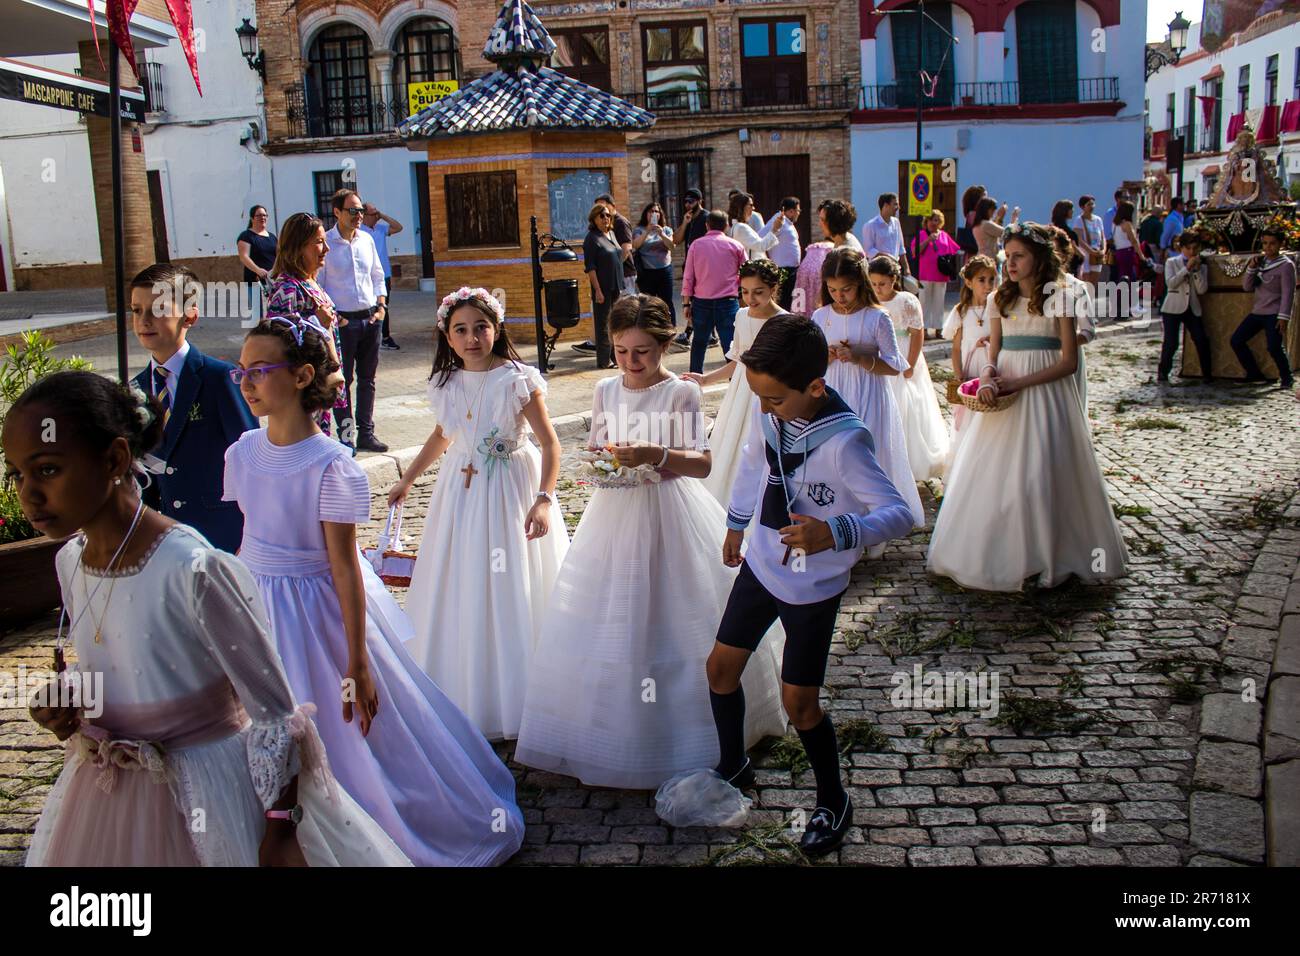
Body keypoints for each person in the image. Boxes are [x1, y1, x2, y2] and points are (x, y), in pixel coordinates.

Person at [6, 371, 409, 867]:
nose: (29, 493)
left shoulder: (194, 570)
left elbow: (275, 716)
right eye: (16, 475)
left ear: (113, 460)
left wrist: (281, 829)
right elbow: (115, 659)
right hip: (107, 792)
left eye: (47, 470)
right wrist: (75, 703)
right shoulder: (71, 560)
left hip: (205, 788)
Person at [224, 316, 525, 866]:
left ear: (301, 376)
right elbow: (248, 540)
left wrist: (357, 659)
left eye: (260, 371)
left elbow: (342, 566)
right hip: (255, 606)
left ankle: (361, 823)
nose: (246, 382)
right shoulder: (242, 453)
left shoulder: (331, 465)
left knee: (341, 732)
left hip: (318, 611)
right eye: (240, 371)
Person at [514, 295, 786, 789]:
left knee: (674, 607)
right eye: (620, 351)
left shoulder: (680, 393)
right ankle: (610, 727)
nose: (630, 362)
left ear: (663, 345)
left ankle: (695, 729)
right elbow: (599, 444)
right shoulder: (604, 389)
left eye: (641, 351)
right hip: (615, 514)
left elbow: (701, 463)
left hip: (670, 511)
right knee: (615, 610)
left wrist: (655, 455)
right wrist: (604, 460)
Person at [707, 315, 914, 856]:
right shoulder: (772, 411)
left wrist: (837, 532)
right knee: (720, 668)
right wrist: (736, 521)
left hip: (813, 586)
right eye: (759, 397)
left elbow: (899, 513)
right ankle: (734, 764)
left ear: (815, 388)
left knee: (801, 703)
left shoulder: (846, 443)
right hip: (763, 564)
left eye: (774, 398)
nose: (764, 407)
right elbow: (756, 462)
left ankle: (832, 798)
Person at [390, 288, 569, 740]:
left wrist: (544, 498)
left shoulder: (517, 379)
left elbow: (550, 443)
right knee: (463, 575)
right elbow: (442, 435)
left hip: (510, 486)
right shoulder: (445, 383)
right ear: (447, 337)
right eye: (461, 330)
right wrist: (408, 478)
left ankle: (519, 690)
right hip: (461, 490)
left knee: (510, 577)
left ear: (497, 328)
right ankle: (467, 684)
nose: (472, 338)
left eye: (481, 327)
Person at [927, 222, 1129, 592]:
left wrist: (1018, 382)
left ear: (1039, 257)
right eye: (1009, 256)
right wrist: (988, 377)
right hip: (1006, 394)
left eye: (1019, 256)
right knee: (1001, 474)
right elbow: (994, 351)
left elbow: (1069, 361)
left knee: (1045, 470)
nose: (1012, 263)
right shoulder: (997, 300)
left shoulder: (1060, 297)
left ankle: (1053, 554)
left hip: (1047, 394)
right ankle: (1003, 554)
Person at [127, 263, 257, 554]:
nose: (144, 320)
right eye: (137, 310)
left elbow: (249, 455)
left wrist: (252, 532)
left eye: (158, 309)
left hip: (222, 534)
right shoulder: (133, 391)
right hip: (164, 539)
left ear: (190, 316)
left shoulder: (218, 378)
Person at [811, 248, 924, 533]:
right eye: (833, 289)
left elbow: (894, 365)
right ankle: (838, 520)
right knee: (834, 454)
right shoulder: (820, 315)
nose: (840, 296)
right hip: (833, 392)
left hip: (869, 392)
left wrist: (861, 357)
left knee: (869, 455)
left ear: (860, 283)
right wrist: (826, 356)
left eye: (846, 289)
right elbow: (809, 361)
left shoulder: (877, 318)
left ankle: (874, 523)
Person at [682, 258, 788, 505]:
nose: (750, 298)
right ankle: (732, 497)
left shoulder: (784, 320)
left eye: (758, 292)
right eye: (745, 291)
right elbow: (738, 359)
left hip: (769, 390)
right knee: (734, 440)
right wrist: (706, 379)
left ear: (773, 289)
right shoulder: (741, 316)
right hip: (741, 390)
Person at [265, 212, 349, 441]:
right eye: (319, 242)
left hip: (316, 383)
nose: (326, 249)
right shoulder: (287, 287)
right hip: (301, 390)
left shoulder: (308, 281)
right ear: (298, 247)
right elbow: (276, 338)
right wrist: (316, 322)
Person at [868, 255, 949, 481]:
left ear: (894, 280)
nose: (878, 288)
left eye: (882, 284)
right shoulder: (871, 300)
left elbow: (917, 332)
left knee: (908, 402)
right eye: (873, 284)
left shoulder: (906, 301)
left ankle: (910, 457)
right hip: (881, 353)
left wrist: (910, 363)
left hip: (903, 350)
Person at [320, 189, 389, 453]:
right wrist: (335, 317)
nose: (359, 215)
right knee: (343, 380)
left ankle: (366, 434)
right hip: (343, 324)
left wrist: (381, 307)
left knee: (368, 379)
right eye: (353, 210)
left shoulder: (367, 240)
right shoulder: (326, 243)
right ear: (337, 212)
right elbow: (320, 286)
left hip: (371, 319)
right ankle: (346, 436)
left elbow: (377, 275)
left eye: (360, 210)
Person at [941, 254, 998, 454]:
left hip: (991, 367)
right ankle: (970, 453)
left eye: (992, 279)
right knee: (971, 415)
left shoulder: (998, 308)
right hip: (971, 368)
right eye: (981, 280)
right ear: (969, 282)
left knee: (991, 413)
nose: (988, 285)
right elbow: (956, 348)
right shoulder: (962, 311)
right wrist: (958, 373)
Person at [682, 209, 747, 374]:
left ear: (706, 225)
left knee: (699, 343)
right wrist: (740, 288)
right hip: (728, 301)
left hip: (701, 302)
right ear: (726, 225)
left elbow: (688, 276)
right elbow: (747, 271)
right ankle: (735, 381)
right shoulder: (736, 245)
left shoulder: (696, 245)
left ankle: (694, 380)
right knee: (731, 345)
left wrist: (686, 303)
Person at [1231, 227, 1296, 389]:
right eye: (1265, 243)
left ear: (1281, 244)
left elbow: (1288, 293)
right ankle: (1254, 373)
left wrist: (1283, 317)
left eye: (1272, 244)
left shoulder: (1286, 265)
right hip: (1258, 311)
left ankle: (1287, 377)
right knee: (1236, 340)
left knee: (1274, 347)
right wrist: (1252, 268)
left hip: (1274, 313)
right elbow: (1247, 287)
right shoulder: (1261, 262)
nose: (1268, 247)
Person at [1049, 226, 1098, 414]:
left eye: (1054, 251)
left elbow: (1088, 331)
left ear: (1063, 255)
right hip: (1038, 360)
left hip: (1067, 358)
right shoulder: (1030, 285)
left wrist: (1064, 343)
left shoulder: (1076, 286)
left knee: (1069, 413)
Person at [1159, 232, 1213, 384]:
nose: (1191, 252)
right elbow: (1171, 283)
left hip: (1192, 306)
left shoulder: (1202, 266)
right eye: (1188, 248)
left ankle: (1207, 373)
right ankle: (1163, 371)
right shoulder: (1172, 262)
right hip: (1173, 306)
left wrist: (1196, 271)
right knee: (1171, 342)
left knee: (1201, 339)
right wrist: (1186, 269)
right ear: (1181, 248)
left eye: (1194, 248)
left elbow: (1202, 289)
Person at [794, 199, 861, 314]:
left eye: (822, 220)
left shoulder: (846, 250)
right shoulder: (844, 240)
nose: (820, 224)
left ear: (833, 222)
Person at [581, 202, 625, 370]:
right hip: (603, 287)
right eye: (602, 215)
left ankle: (615, 357)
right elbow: (590, 268)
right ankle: (604, 360)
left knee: (615, 323)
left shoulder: (611, 234)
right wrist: (597, 290)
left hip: (615, 285)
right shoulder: (591, 238)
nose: (606, 218)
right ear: (594, 218)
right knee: (602, 324)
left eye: (608, 215)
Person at [909, 210, 962, 338]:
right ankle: (925, 329)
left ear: (940, 222)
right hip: (925, 274)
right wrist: (928, 240)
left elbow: (954, 251)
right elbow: (915, 252)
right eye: (931, 219)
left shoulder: (944, 235)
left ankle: (939, 328)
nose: (933, 222)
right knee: (924, 302)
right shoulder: (921, 234)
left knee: (939, 302)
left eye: (936, 220)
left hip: (940, 275)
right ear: (926, 222)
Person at [360, 203, 404, 351]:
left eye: (377, 213)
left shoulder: (380, 229)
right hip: (367, 276)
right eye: (374, 214)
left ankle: (385, 337)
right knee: (369, 307)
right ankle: (370, 338)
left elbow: (398, 227)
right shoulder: (359, 231)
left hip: (384, 274)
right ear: (364, 215)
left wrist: (383, 215)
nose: (377, 217)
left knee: (384, 306)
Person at [632, 201, 678, 326]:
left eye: (656, 211)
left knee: (666, 302)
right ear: (646, 214)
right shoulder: (639, 230)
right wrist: (647, 232)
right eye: (651, 211)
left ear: (660, 215)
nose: (653, 213)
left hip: (664, 271)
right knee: (647, 303)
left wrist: (661, 234)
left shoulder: (666, 229)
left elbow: (672, 247)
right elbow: (635, 245)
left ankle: (670, 327)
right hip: (646, 273)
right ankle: (650, 328)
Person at [758, 196, 803, 311]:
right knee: (783, 303)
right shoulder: (778, 220)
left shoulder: (788, 223)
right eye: (798, 211)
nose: (799, 213)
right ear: (791, 211)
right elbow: (760, 237)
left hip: (791, 270)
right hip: (783, 270)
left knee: (790, 303)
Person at [237, 205, 277, 322]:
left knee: (274, 311)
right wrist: (258, 270)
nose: (262, 218)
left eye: (264, 215)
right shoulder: (246, 236)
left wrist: (275, 271)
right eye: (259, 215)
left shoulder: (272, 237)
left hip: (273, 280)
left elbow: (279, 255)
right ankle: (259, 338)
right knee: (258, 316)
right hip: (255, 281)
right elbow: (244, 257)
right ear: (252, 218)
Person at [862, 193, 911, 286]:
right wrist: (887, 257)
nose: (898, 207)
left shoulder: (896, 223)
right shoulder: (870, 225)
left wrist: (907, 268)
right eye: (895, 204)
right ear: (885, 205)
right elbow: (868, 251)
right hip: (878, 272)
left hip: (895, 270)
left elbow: (901, 247)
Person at [596, 193, 639, 296]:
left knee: (626, 309)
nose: (601, 210)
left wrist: (613, 269)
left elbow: (626, 249)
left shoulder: (621, 222)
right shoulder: (606, 223)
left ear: (613, 206)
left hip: (625, 274)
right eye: (598, 207)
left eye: (603, 206)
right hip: (614, 275)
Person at [727, 191, 779, 260]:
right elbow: (761, 246)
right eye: (750, 205)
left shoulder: (737, 226)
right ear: (741, 207)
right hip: (752, 268)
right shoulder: (741, 227)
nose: (753, 208)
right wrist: (774, 229)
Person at [974, 197, 1018, 271]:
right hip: (989, 260)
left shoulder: (978, 224)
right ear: (986, 210)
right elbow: (1006, 232)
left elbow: (996, 230)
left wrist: (1000, 217)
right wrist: (1013, 219)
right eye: (992, 210)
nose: (994, 212)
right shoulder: (986, 224)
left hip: (983, 258)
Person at [1074, 195, 1105, 288]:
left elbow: (1103, 237)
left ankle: (1090, 301)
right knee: (1084, 283)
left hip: (1097, 255)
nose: (1092, 206)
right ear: (1083, 207)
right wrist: (1091, 251)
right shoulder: (1079, 220)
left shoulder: (1098, 220)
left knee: (1093, 284)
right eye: (1089, 204)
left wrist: (1103, 250)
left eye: (1093, 204)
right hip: (1086, 255)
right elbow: (1079, 239)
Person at [1050, 200, 1083, 275]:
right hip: (1067, 271)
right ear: (1065, 211)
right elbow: (1077, 257)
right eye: (1071, 209)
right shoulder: (1069, 233)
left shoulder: (1050, 230)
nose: (1073, 211)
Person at [1159, 198, 1186, 263]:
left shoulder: (1180, 217)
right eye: (1183, 204)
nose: (1184, 206)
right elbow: (1165, 235)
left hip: (1179, 250)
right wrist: (1162, 250)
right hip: (1172, 251)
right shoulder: (1171, 219)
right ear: (1178, 205)